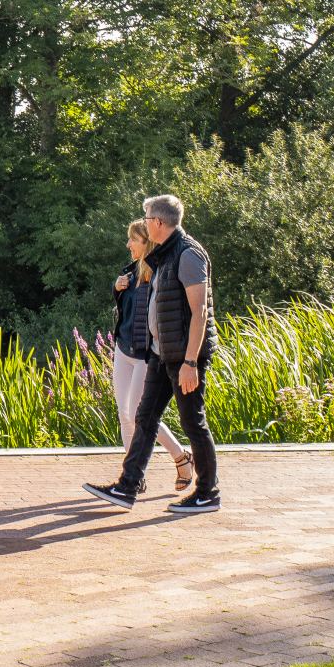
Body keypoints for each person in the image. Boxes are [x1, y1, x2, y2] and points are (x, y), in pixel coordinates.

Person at [84, 194, 221, 514]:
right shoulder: (163, 254)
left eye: (146, 219)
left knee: (193, 422)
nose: (144, 224)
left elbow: (199, 312)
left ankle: (207, 492)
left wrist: (190, 362)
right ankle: (127, 486)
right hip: (161, 354)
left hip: (183, 358)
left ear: (158, 223)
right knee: (144, 418)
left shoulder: (188, 255)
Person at [109, 219, 194, 494]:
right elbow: (129, 311)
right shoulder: (130, 272)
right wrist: (117, 289)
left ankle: (181, 457)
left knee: (139, 414)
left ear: (146, 242)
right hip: (124, 349)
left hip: (146, 355)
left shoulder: (159, 272)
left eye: (133, 239)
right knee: (124, 415)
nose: (128, 245)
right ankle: (133, 479)